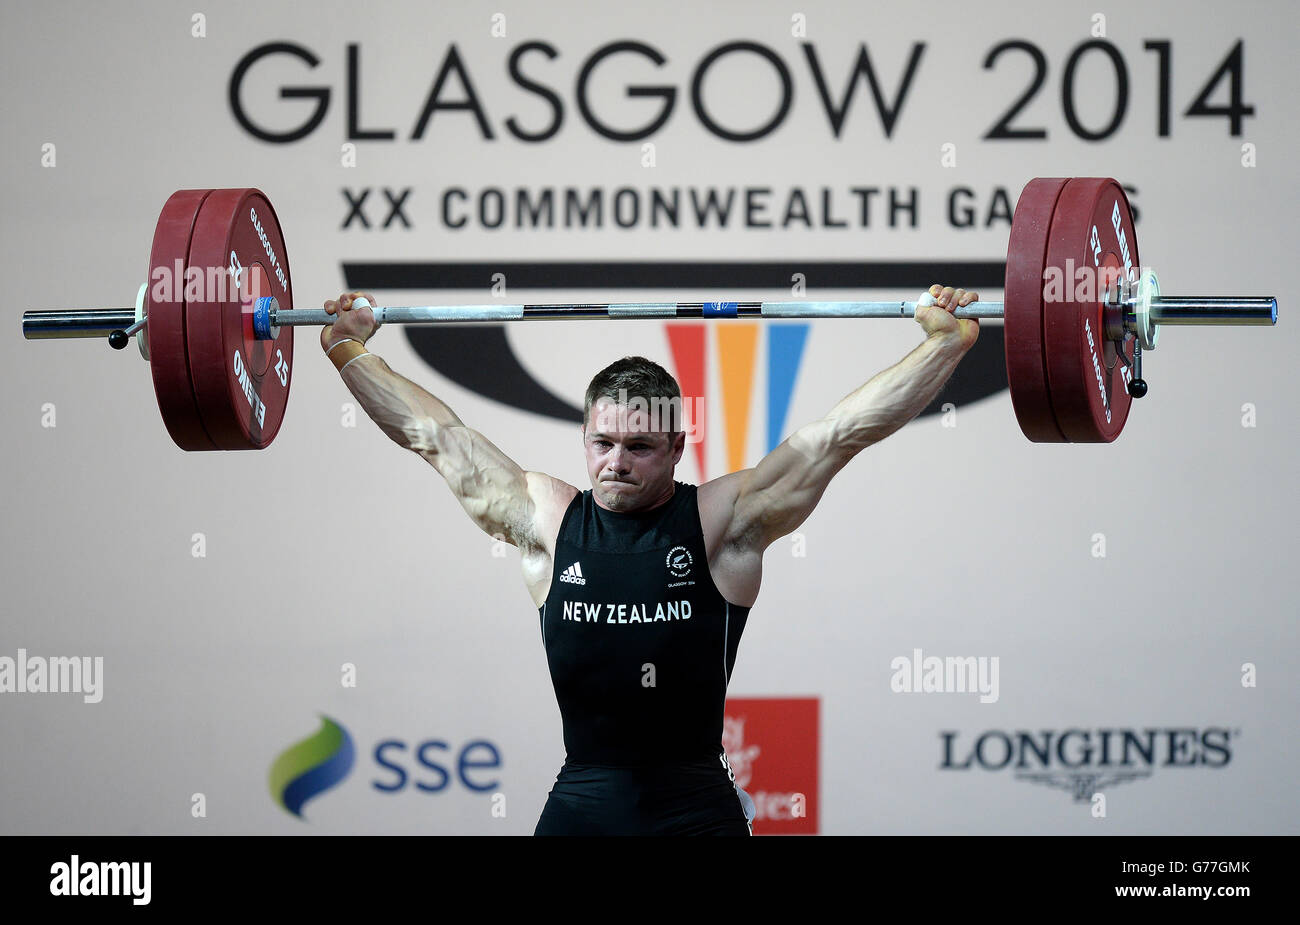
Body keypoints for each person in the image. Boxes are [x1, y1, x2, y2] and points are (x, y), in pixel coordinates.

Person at [320, 284, 981, 835]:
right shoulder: (548, 518)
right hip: (582, 801)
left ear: (676, 447)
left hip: (694, 805)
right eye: (602, 441)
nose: (616, 462)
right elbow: (436, 438)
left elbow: (841, 434)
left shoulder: (723, 522)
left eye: (639, 445)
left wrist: (942, 343)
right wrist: (346, 347)